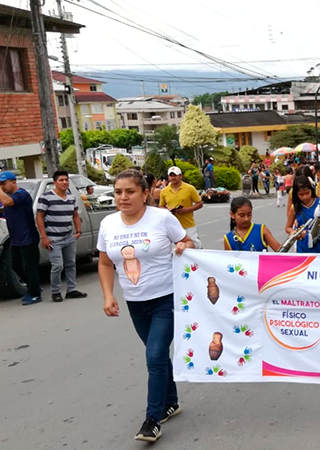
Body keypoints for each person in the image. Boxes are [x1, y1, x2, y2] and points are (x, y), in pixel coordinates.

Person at [97, 169, 195, 442]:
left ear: (144, 193)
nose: (123, 197)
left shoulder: (162, 218)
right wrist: (108, 295)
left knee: (154, 357)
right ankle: (171, 402)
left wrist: (184, 246)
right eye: (118, 192)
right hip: (135, 303)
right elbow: (105, 263)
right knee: (159, 355)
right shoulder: (109, 224)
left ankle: (152, 419)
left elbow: (187, 240)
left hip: (167, 297)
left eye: (130, 192)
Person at [36, 170, 86, 303]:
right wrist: (43, 236)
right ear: (54, 183)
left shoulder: (71, 197)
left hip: (69, 237)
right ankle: (55, 292)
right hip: (53, 239)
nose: (64, 182)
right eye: (61, 180)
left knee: (71, 264)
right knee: (57, 266)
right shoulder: (46, 197)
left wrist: (78, 231)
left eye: (66, 180)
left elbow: (75, 214)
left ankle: (71, 290)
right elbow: (39, 217)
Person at [0, 171, 42, 305]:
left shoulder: (21, 194)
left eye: (3, 184)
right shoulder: (8, 197)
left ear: (13, 182)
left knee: (29, 267)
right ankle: (33, 286)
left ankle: (35, 294)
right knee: (16, 266)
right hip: (15, 238)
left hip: (27, 237)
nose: (3, 187)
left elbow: (7, 202)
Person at [285, 177, 320, 254]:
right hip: (302, 246)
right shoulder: (294, 208)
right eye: (301, 194)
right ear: (296, 194)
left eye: (307, 193)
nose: (305, 197)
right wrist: (296, 233)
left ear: (312, 191)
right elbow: (288, 228)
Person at [159, 166, 204, 249]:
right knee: (177, 249)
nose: (173, 178)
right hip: (172, 225)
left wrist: (187, 210)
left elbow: (200, 203)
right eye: (171, 176)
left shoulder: (189, 188)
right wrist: (168, 211)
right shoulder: (164, 191)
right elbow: (161, 206)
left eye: (175, 175)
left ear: (180, 176)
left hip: (188, 224)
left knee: (194, 245)